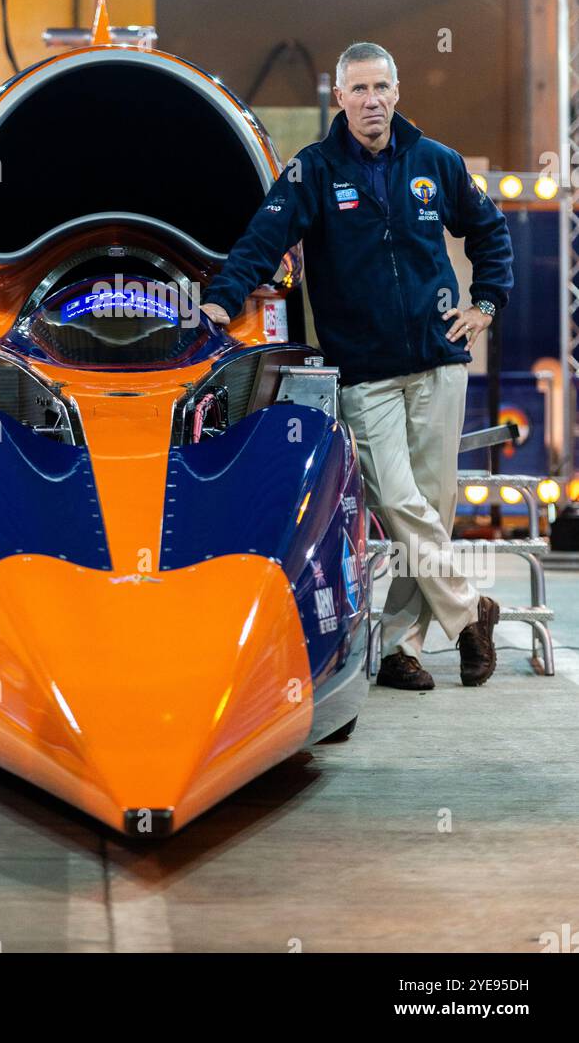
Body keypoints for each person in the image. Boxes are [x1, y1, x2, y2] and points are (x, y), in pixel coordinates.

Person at [201, 41, 514, 691]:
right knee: (398, 504)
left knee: (429, 506)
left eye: (380, 87)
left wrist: (483, 303)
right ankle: (469, 613)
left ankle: (401, 649)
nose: (371, 100)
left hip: (437, 360)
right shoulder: (313, 171)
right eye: (358, 90)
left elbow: (490, 232)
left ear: (396, 92)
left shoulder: (436, 162)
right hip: (365, 372)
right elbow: (263, 239)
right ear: (338, 98)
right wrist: (216, 303)